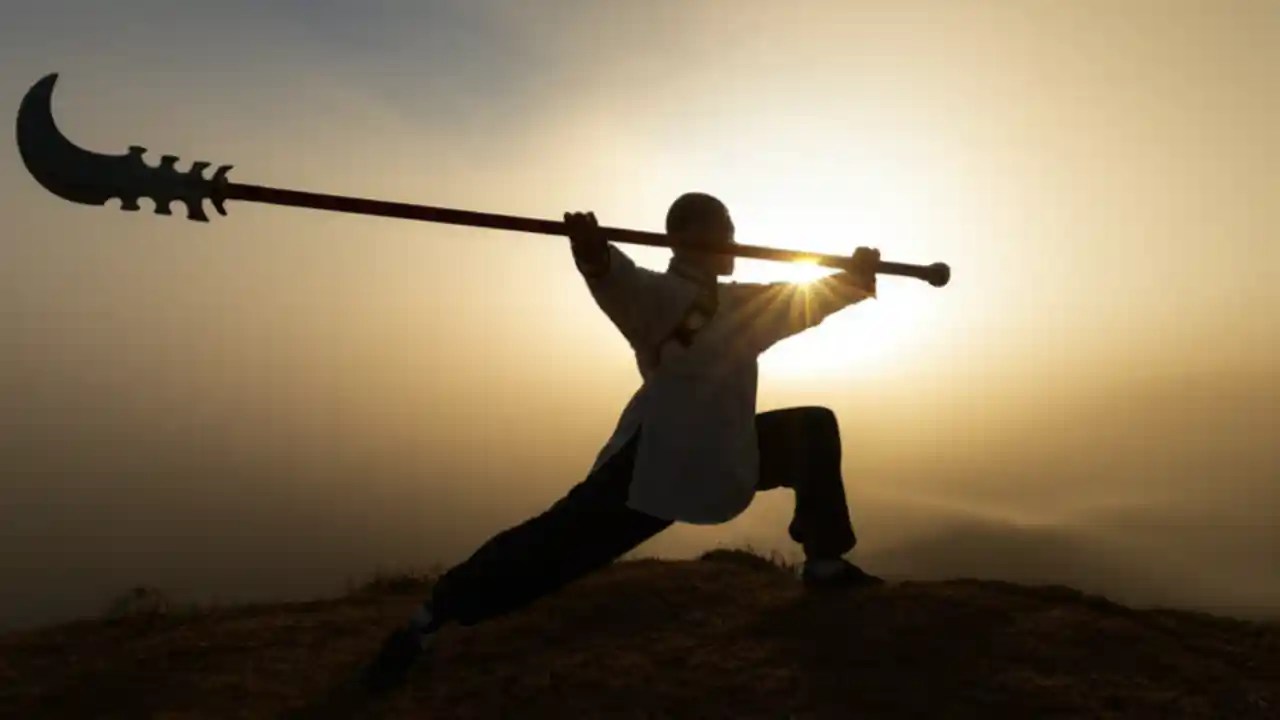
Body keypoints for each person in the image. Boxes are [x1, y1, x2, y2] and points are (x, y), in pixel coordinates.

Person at [363, 192, 883, 692]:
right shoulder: (657, 298)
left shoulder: (742, 305)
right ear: (688, 237)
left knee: (812, 428)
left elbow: (806, 301)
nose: (730, 236)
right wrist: (594, 254)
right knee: (557, 544)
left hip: (722, 450)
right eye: (721, 227)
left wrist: (853, 278)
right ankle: (428, 619)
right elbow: (618, 281)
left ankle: (825, 563)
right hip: (658, 461)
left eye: (729, 227)